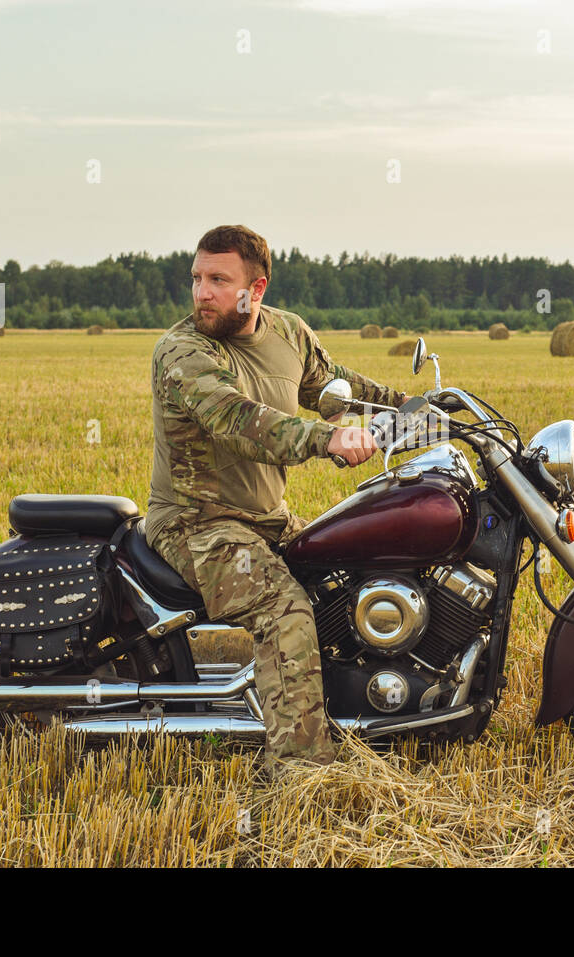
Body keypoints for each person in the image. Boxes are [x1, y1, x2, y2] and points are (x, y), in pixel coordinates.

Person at [145, 224, 407, 778]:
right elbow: (235, 418)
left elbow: (337, 388)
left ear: (256, 288)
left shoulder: (288, 333)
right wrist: (324, 438)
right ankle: (299, 773)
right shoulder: (182, 351)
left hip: (268, 520)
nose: (202, 292)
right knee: (285, 609)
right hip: (200, 524)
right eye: (197, 278)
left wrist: (420, 412)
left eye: (219, 279)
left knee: (354, 570)